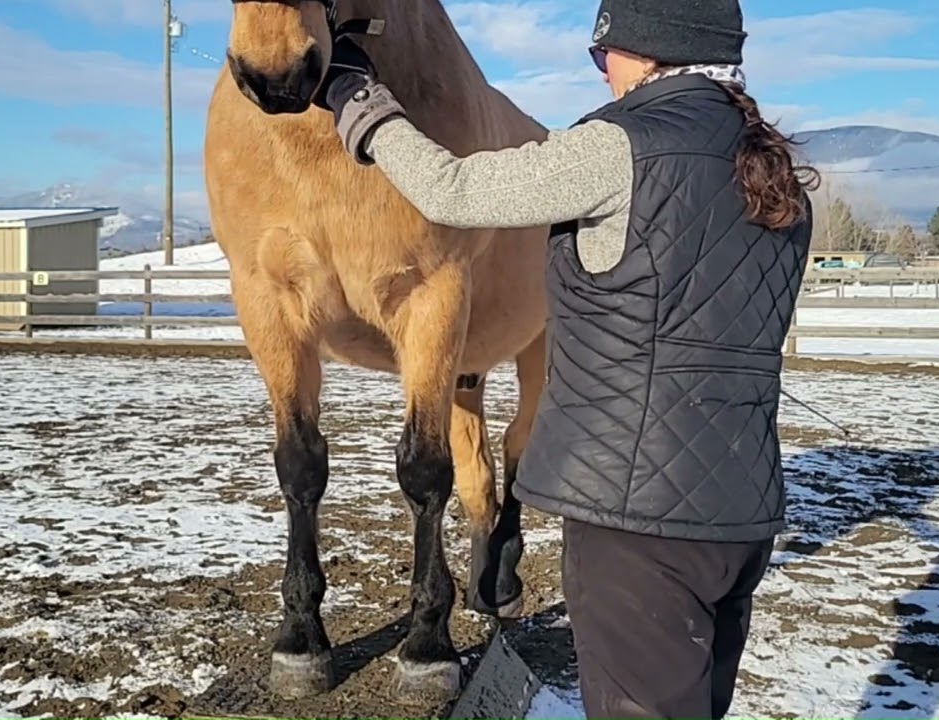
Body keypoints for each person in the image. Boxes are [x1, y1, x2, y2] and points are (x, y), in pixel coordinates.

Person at [315, 0, 820, 717]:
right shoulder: (777, 174)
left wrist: (360, 103)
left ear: (648, 52)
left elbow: (452, 190)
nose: (602, 73)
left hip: (636, 520)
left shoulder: (616, 148)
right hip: (744, 509)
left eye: (601, 55)